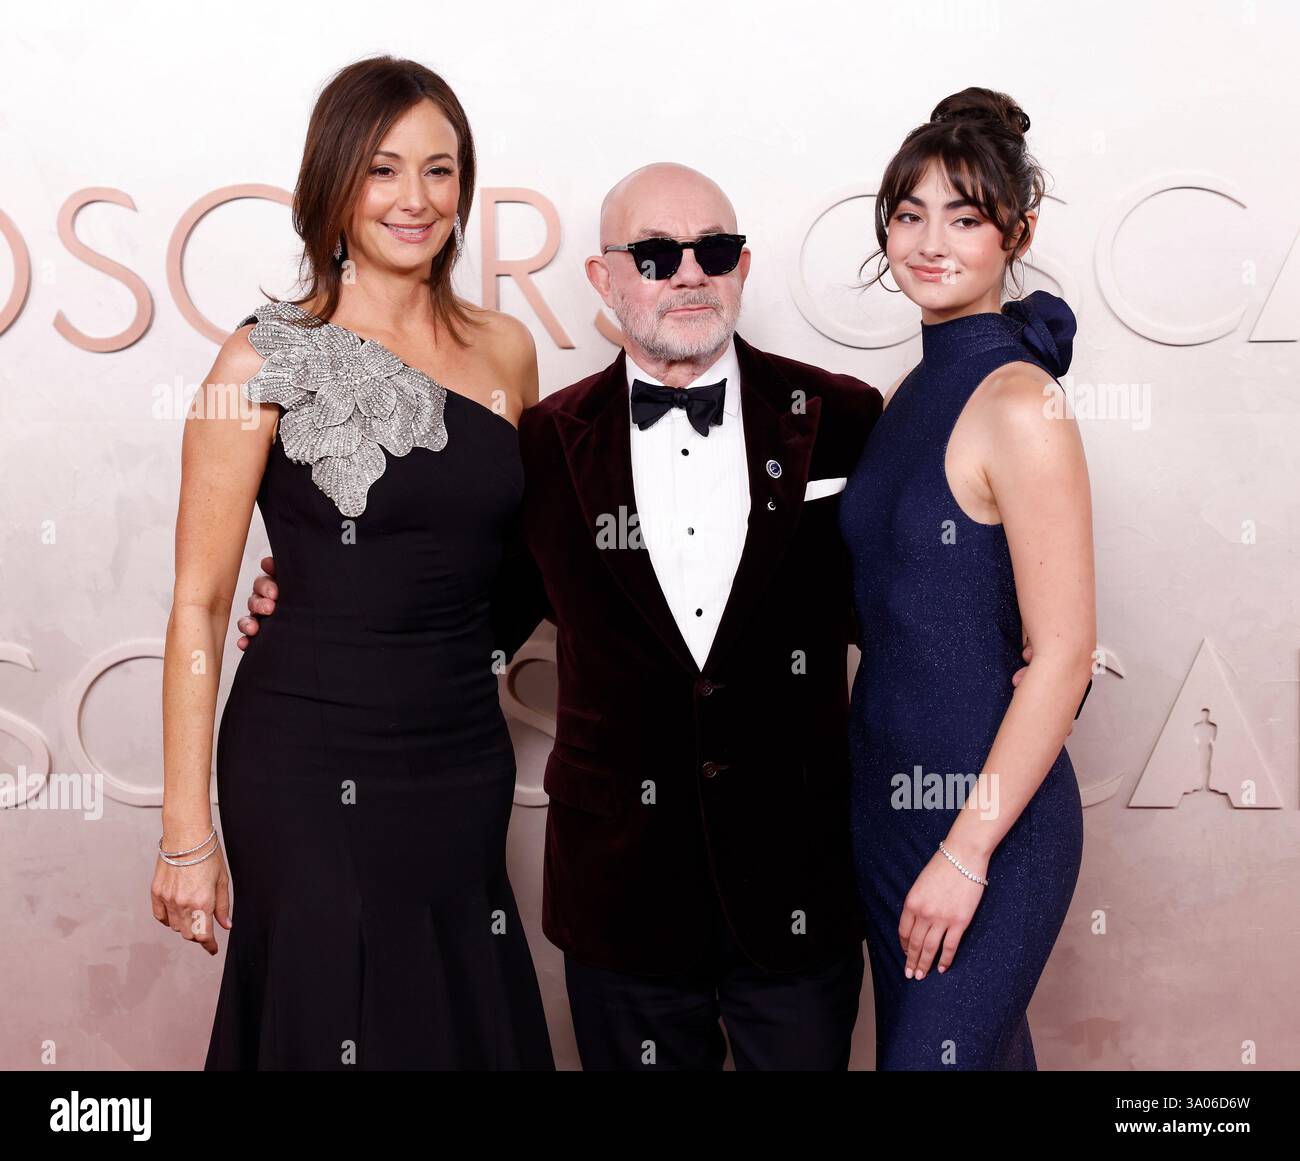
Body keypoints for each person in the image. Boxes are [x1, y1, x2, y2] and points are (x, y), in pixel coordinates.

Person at [155, 55, 553, 1070]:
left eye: (440, 169)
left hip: (459, 752)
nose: (414, 199)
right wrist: (185, 834)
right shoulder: (261, 358)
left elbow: (514, 565)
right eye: (382, 170)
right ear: (332, 184)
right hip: (304, 756)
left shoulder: (505, 351)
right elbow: (200, 606)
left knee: (449, 1017)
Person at [838, 87, 1095, 1070]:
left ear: (1015, 233)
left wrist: (966, 851)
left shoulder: (1022, 400)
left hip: (989, 825)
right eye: (907, 215)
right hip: (884, 805)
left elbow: (1063, 653)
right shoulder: (909, 393)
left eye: (965, 216)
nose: (928, 241)